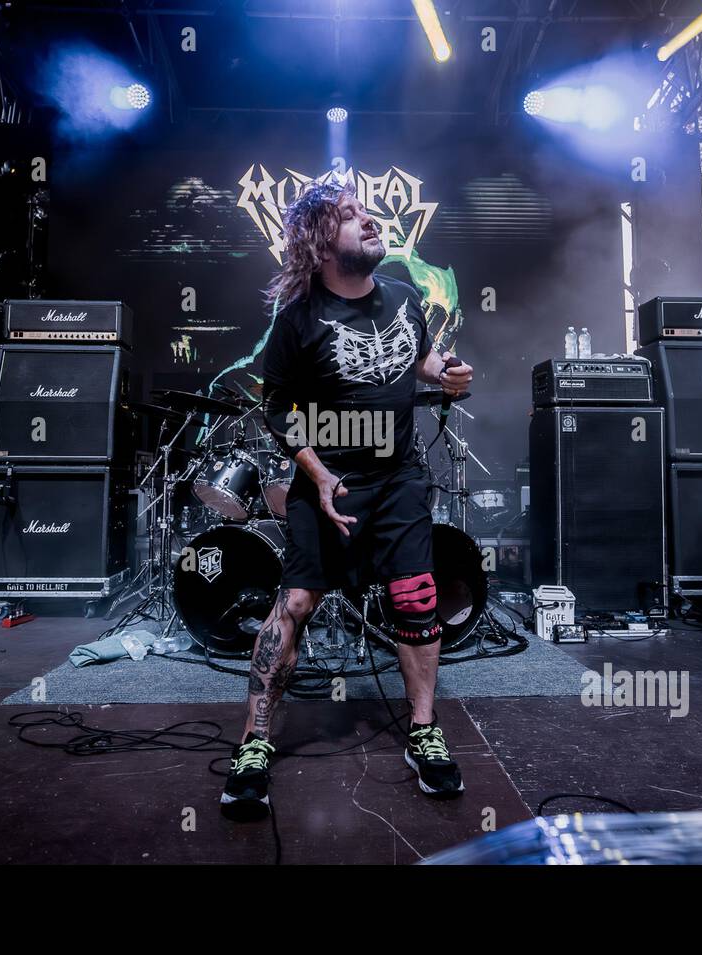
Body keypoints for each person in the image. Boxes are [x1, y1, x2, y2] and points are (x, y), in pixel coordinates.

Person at [220, 179, 474, 819]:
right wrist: (318, 472)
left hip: (398, 479)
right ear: (320, 240)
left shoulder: (405, 298)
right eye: (351, 215)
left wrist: (445, 373)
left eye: (368, 211)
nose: (370, 220)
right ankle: (253, 742)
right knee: (297, 601)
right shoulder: (300, 316)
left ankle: (423, 730)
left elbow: (418, 358)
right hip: (324, 479)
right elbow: (275, 402)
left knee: (415, 595)